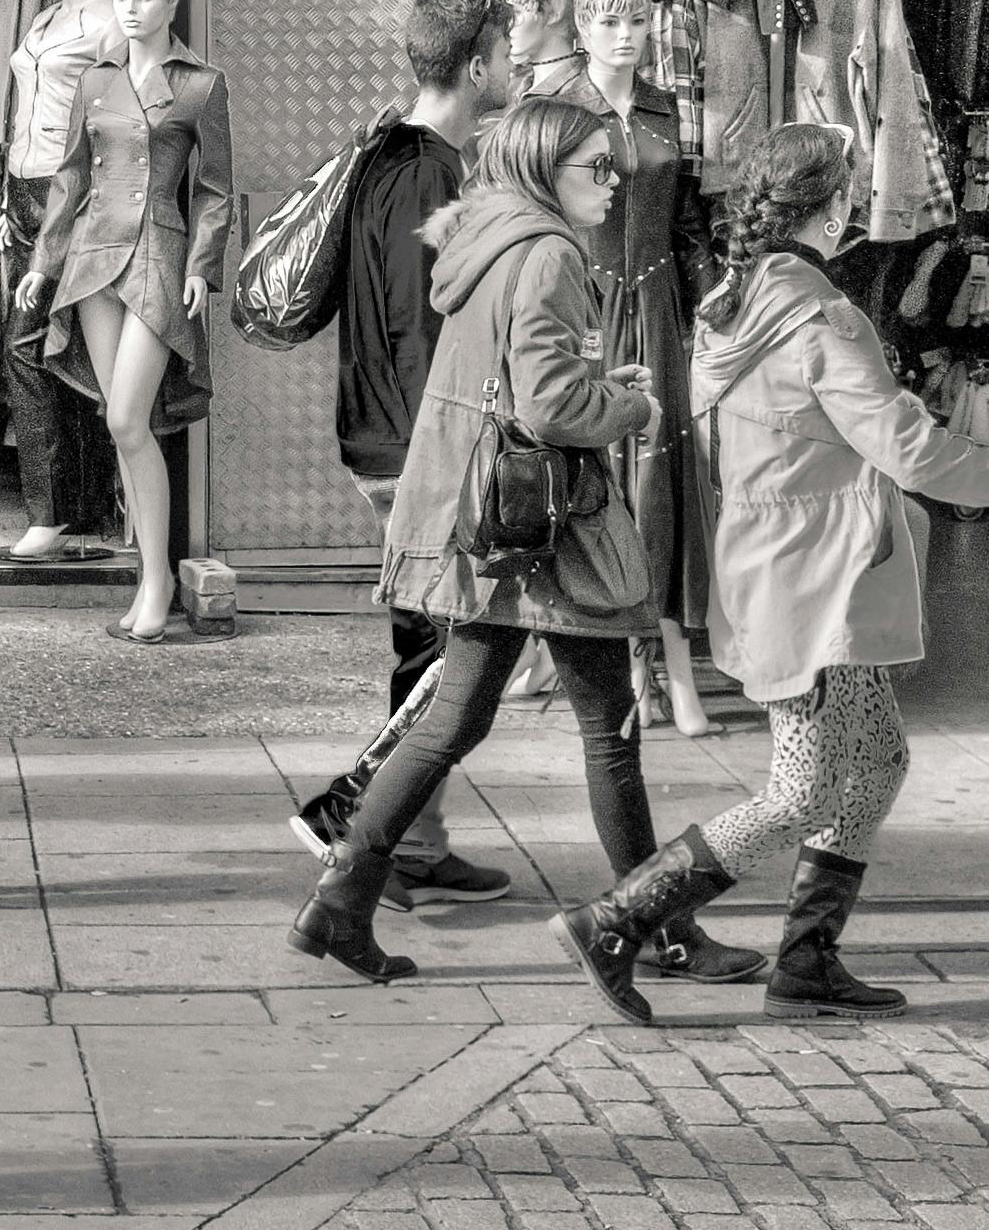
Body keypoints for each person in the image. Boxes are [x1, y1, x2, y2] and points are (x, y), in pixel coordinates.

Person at [289, 94, 756, 992]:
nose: (615, 182)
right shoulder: (549, 252)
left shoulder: (490, 238)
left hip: (488, 523)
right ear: (547, 168)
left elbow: (519, 376)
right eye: (597, 167)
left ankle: (340, 900)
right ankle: (658, 929)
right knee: (608, 728)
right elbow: (547, 407)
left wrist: (589, 378)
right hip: (542, 531)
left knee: (453, 719)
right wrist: (630, 403)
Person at [560, 121, 989, 1024]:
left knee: (876, 761)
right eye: (851, 189)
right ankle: (617, 918)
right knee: (800, 791)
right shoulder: (819, 318)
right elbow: (904, 444)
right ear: (832, 206)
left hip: (791, 565)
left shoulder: (737, 298)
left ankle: (807, 960)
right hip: (819, 580)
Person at [289, 0, 514, 896]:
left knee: (434, 646)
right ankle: (355, 822)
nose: (516, 64)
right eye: (507, 49)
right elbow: (420, 325)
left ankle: (409, 840)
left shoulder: (394, 151)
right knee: (449, 658)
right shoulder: (425, 171)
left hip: (391, 435)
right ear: (477, 65)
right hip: (412, 445)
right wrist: (450, 455)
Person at [15, 0, 230, 645]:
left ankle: (158, 578)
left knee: (130, 419)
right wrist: (44, 262)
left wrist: (201, 265)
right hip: (92, 255)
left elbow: (215, 189)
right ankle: (148, 578)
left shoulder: (200, 84)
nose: (132, 9)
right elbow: (70, 178)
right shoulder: (96, 79)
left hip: (158, 254)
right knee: (119, 424)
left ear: (172, 3)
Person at [568, 0, 719, 736]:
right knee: (601, 475)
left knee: (661, 477)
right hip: (588, 310)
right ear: (582, 29)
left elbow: (687, 219)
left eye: (635, 21)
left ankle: (674, 667)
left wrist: (715, 301)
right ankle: (623, 667)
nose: (625, 35)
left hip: (658, 308)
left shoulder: (666, 108)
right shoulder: (561, 110)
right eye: (608, 22)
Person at [0, 0, 120, 561]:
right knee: (44, 348)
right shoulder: (43, 18)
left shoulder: (110, 23)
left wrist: (71, 211)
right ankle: (73, 508)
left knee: (37, 346)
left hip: (71, 195)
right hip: (24, 189)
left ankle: (56, 512)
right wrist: (2, 196)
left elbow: (113, 126)